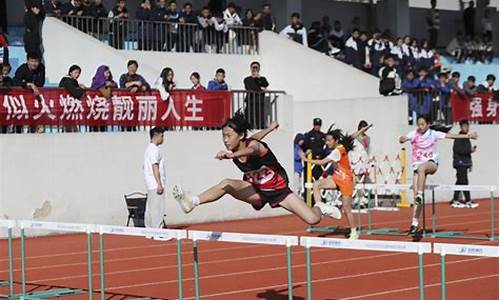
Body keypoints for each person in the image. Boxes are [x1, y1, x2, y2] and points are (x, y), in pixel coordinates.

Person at [172, 113, 341, 225]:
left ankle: (321, 206)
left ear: (241, 136)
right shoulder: (242, 144)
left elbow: (253, 148)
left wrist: (231, 156)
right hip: (257, 191)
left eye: (229, 136)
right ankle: (192, 202)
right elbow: (257, 135)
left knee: (312, 219)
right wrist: (270, 128)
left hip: (279, 190)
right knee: (227, 184)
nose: (225, 140)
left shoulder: (254, 146)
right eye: (223, 136)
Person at [399, 115, 478, 236]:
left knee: (422, 169)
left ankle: (420, 194)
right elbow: (402, 138)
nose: (420, 127)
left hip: (431, 164)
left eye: (422, 124)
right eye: (418, 124)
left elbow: (451, 136)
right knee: (417, 199)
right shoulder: (414, 133)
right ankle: (414, 223)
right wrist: (402, 138)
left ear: (428, 124)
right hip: (417, 169)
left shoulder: (434, 134)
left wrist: (468, 136)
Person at [302, 127, 358, 239]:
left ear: (336, 141)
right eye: (326, 140)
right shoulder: (341, 145)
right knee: (316, 184)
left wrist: (306, 159)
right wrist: (361, 130)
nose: (327, 143)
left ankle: (354, 231)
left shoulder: (337, 151)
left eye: (329, 141)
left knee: (346, 209)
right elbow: (351, 137)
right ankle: (321, 207)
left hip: (346, 181)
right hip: (336, 178)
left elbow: (322, 162)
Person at [143, 127, 167, 231]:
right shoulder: (154, 150)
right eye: (162, 136)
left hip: (150, 184)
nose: (163, 138)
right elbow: (155, 166)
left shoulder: (149, 149)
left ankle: (150, 230)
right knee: (157, 209)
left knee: (150, 209)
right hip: (155, 184)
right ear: (156, 135)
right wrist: (159, 184)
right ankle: (158, 231)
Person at [451, 120, 478, 208]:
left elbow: (466, 151)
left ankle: (456, 200)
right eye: (464, 126)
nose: (466, 128)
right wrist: (470, 150)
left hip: (464, 163)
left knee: (460, 181)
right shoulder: (459, 137)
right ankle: (467, 201)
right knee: (464, 182)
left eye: (467, 126)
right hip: (460, 163)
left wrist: (470, 163)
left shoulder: (466, 138)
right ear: (461, 127)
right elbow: (459, 150)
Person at [243, 61, 269, 129]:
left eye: (256, 67)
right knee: (249, 119)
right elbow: (249, 87)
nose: (255, 69)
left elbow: (266, 84)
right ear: (250, 68)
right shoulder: (247, 79)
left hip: (259, 102)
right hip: (250, 101)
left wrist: (259, 78)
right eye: (253, 67)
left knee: (260, 119)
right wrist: (261, 88)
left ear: (259, 68)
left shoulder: (262, 78)